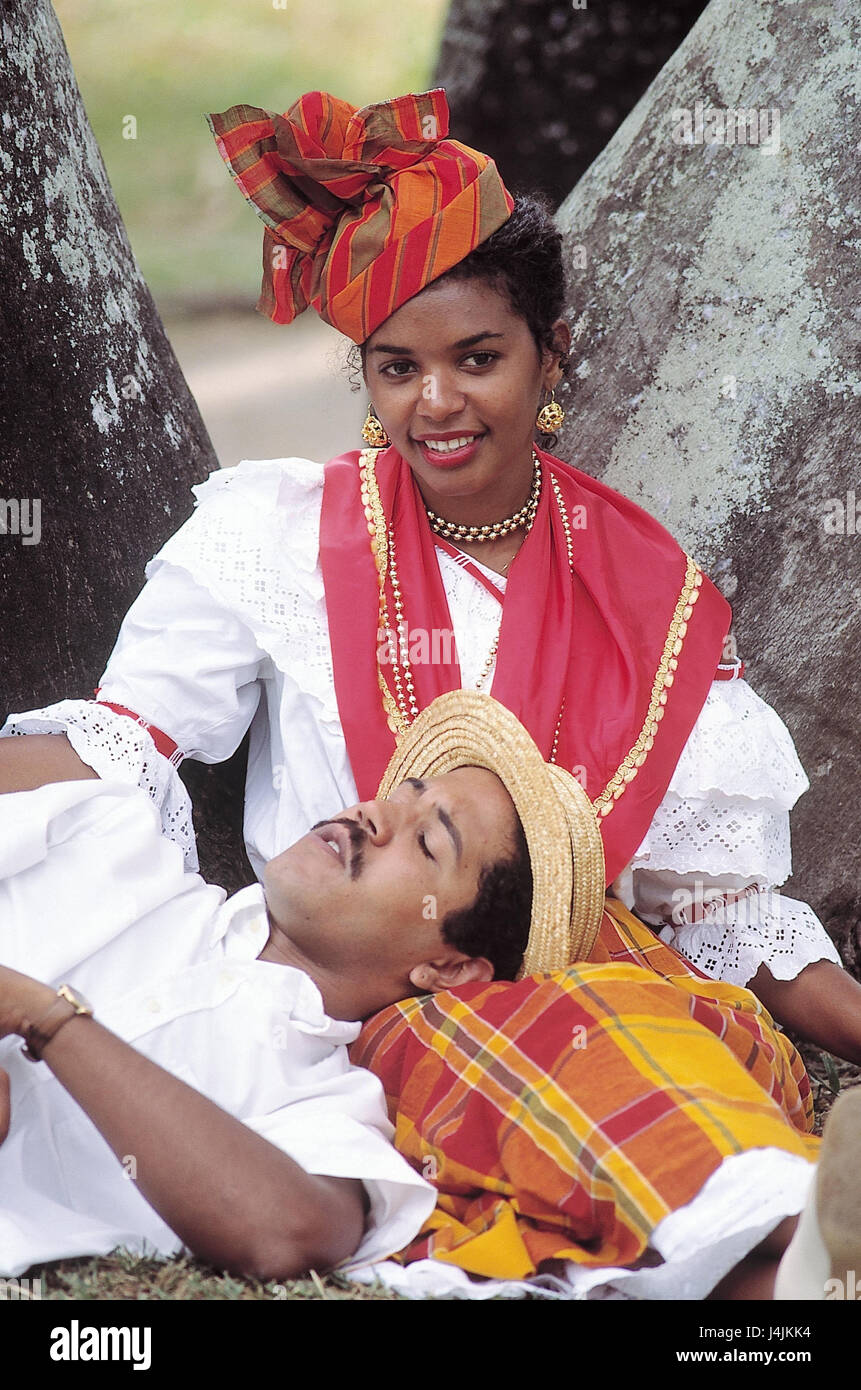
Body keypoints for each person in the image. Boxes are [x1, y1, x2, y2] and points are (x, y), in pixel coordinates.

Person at [2, 88, 858, 1062]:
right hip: (316, 1032)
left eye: (478, 357)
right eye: (398, 368)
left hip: (559, 1031)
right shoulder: (283, 534)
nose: (437, 402)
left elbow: (722, 916)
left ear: (551, 357)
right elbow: (124, 745)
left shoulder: (645, 599)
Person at [2, 687, 858, 1302]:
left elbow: (286, 1233)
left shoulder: (325, 1098)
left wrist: (47, 1020)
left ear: (448, 972)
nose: (370, 816)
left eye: (427, 841)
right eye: (396, 797)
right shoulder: (108, 833)